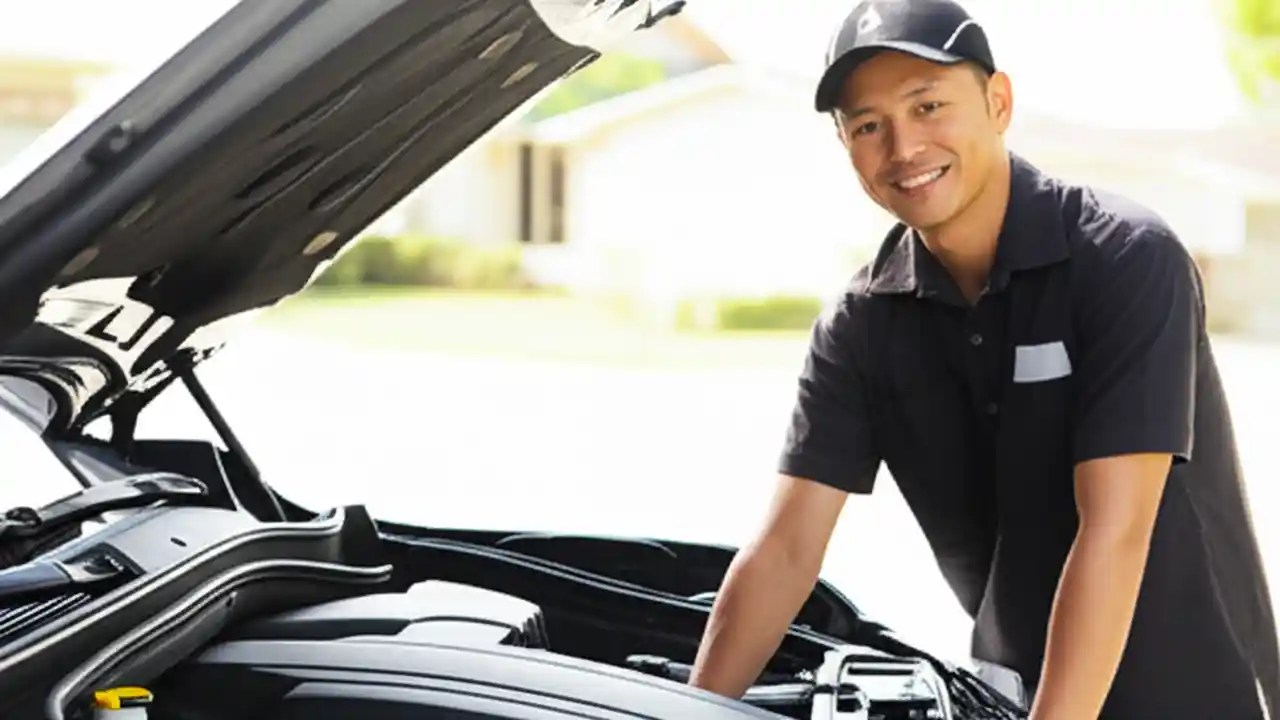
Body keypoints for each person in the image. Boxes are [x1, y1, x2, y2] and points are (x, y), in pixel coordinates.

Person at [686, 1, 1280, 718]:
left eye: (928, 105)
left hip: (1199, 695)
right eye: (869, 126)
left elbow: (1115, 532)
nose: (903, 146)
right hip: (1019, 696)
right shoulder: (862, 325)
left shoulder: (1123, 259)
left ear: (998, 102)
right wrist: (692, 710)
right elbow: (784, 552)